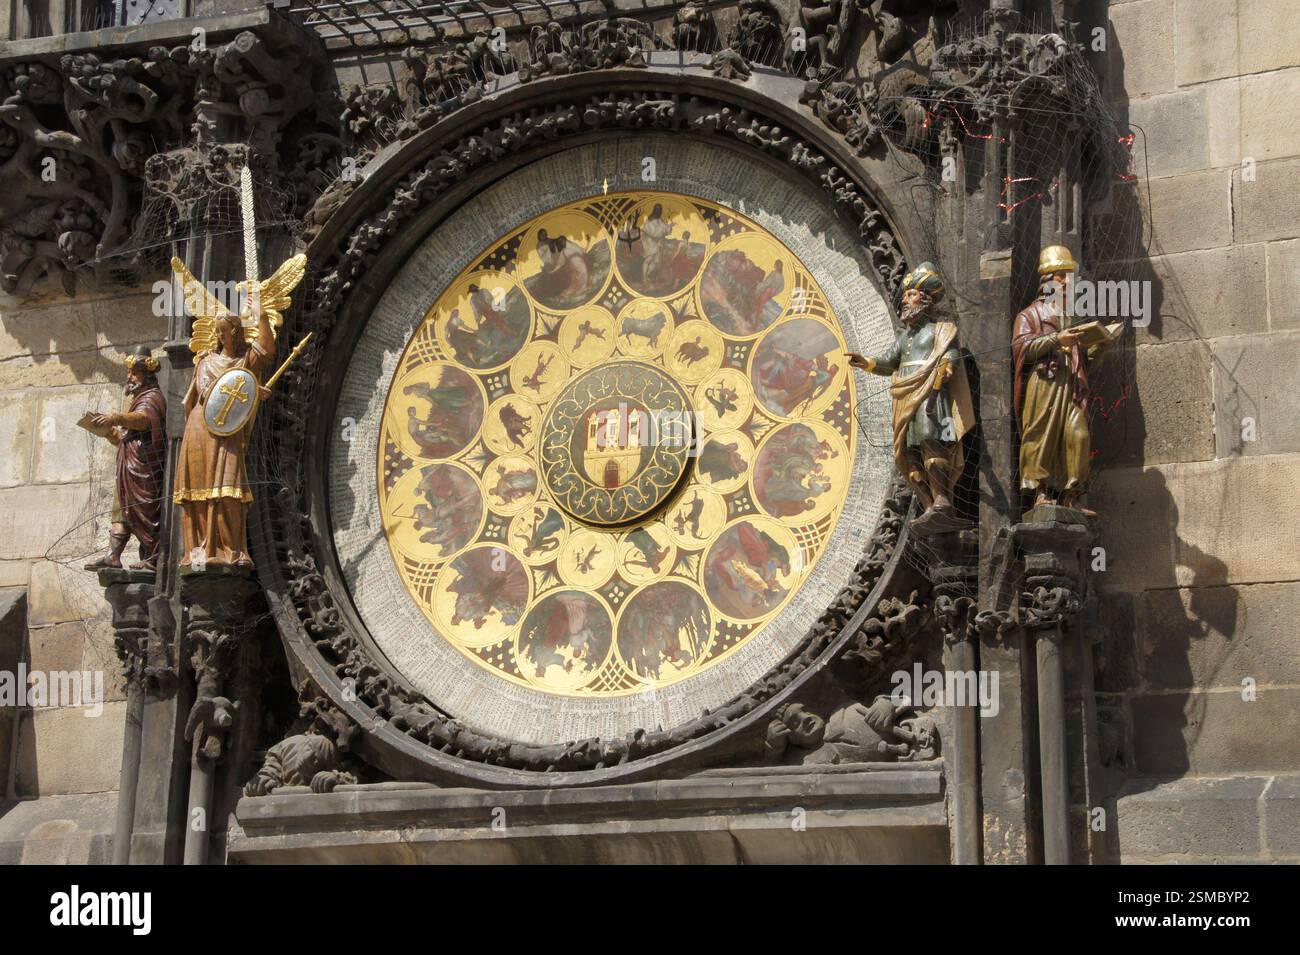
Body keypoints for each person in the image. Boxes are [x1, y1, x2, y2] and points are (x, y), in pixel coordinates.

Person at [848, 261, 974, 531]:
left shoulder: (940, 330)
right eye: (905, 295)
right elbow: (888, 362)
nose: (905, 300)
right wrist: (866, 362)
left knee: (933, 439)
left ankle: (942, 498)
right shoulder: (905, 338)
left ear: (925, 300)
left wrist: (948, 365)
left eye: (911, 295)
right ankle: (928, 503)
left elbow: (950, 351)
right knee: (908, 450)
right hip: (906, 396)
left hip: (932, 393)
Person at [173, 304, 275, 568]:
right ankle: (198, 552)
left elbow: (266, 351)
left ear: (236, 331)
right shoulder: (205, 361)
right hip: (199, 425)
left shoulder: (244, 361)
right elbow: (201, 393)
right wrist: (253, 391)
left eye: (224, 330)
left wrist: (263, 316)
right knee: (197, 490)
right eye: (216, 331)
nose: (219, 335)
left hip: (227, 431)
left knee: (229, 489)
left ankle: (232, 551)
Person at [1012, 245, 1111, 516]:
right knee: (1041, 434)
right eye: (1061, 276)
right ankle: (1041, 492)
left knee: (1078, 435)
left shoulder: (1072, 317)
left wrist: (1101, 346)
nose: (1067, 282)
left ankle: (1072, 495)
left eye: (1069, 276)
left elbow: (1085, 363)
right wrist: (1056, 339)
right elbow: (1021, 349)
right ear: (1047, 280)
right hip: (1044, 384)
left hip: (1071, 385)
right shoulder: (1029, 315)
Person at [84, 347, 167, 571]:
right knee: (120, 510)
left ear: (146, 375)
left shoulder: (153, 397)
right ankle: (113, 555)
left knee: (145, 511)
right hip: (128, 469)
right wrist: (111, 434)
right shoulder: (138, 399)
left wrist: (115, 417)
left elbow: (144, 421)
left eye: (134, 373)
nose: (129, 377)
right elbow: (129, 437)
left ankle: (154, 558)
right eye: (129, 372)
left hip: (145, 470)